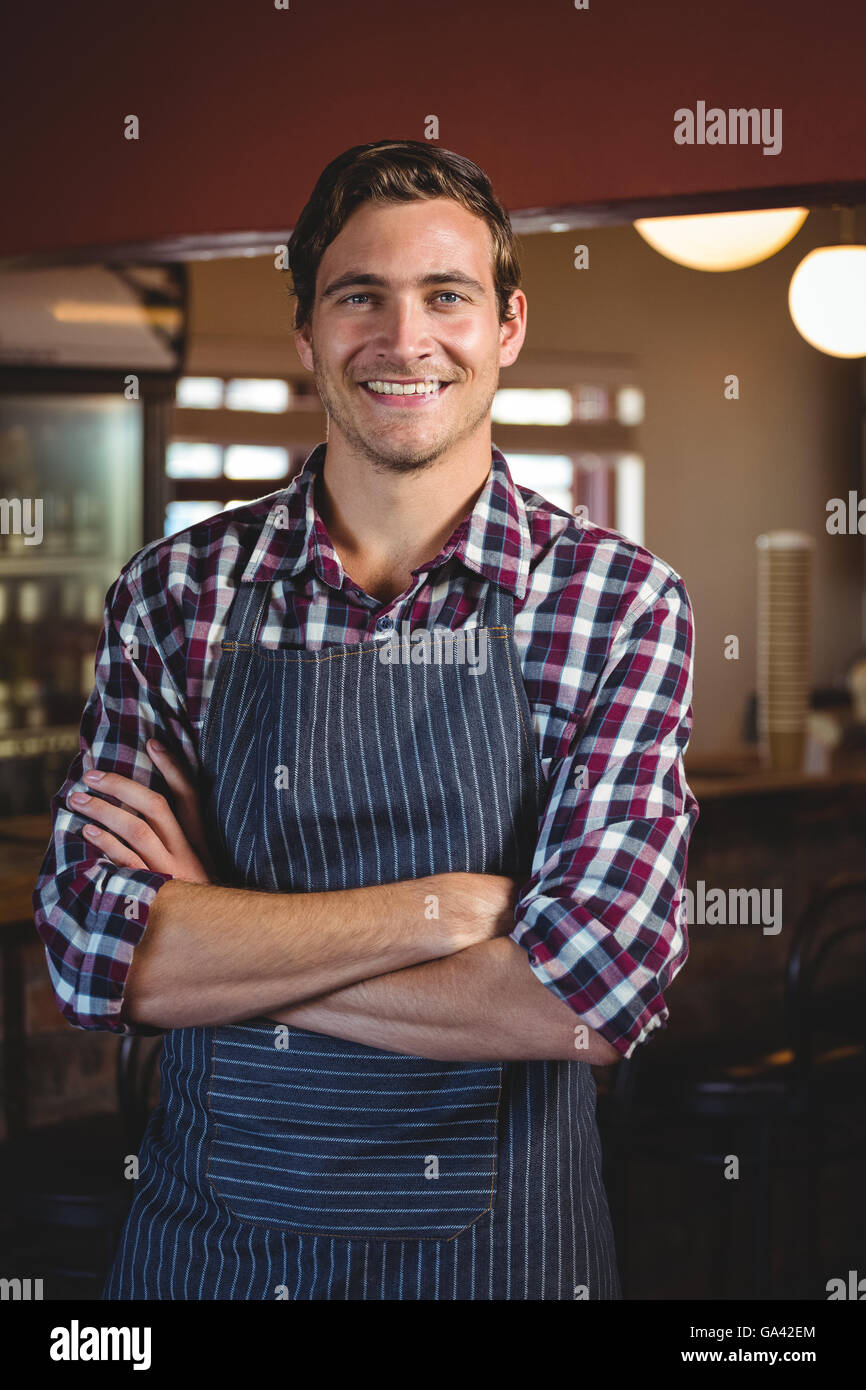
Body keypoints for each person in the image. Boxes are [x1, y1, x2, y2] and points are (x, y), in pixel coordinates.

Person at [32, 138, 698, 1301]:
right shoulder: (174, 592)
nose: (404, 340)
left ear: (507, 327)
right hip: (211, 1256)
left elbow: (586, 995)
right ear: (305, 335)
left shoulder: (616, 599)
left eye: (446, 295)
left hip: (504, 1263)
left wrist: (211, 939)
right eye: (358, 297)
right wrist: (450, 915)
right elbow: (96, 954)